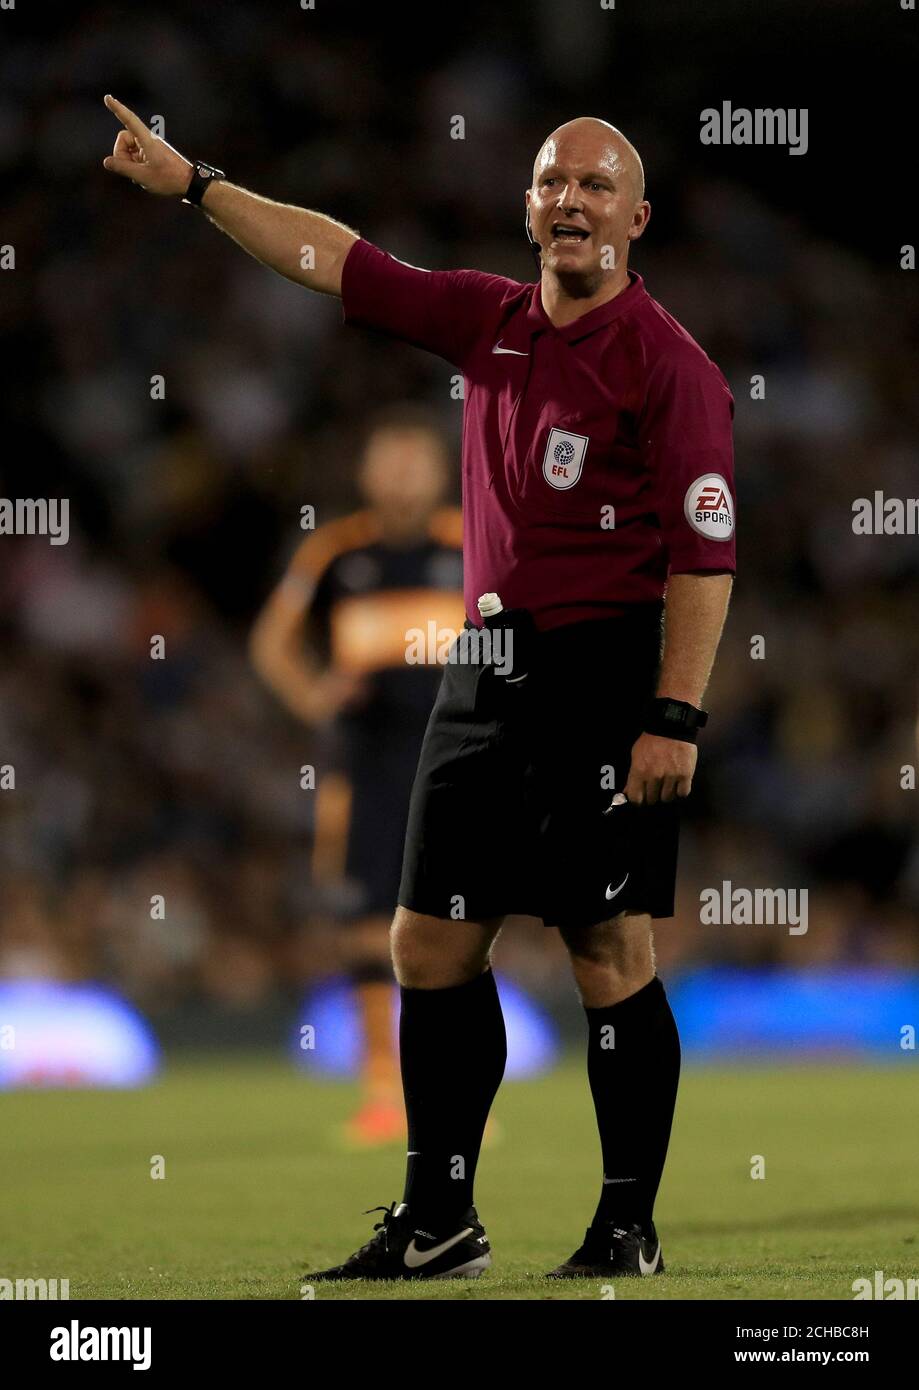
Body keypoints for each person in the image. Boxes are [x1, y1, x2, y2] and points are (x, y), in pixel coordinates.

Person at [103, 101, 736, 1281]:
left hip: (603, 673)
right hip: (480, 671)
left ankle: (624, 1226)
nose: (571, 202)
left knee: (608, 948)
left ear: (635, 219)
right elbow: (333, 257)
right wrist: (196, 185)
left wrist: (675, 713)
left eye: (597, 187)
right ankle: (440, 1219)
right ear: (528, 207)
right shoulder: (488, 322)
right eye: (553, 182)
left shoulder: (674, 369)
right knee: (427, 944)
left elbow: (705, 558)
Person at [249, 409, 464, 1147]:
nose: (402, 472)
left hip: (454, 763)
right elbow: (272, 641)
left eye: (415, 459)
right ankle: (382, 1090)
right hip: (365, 766)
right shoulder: (336, 553)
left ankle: (457, 1094)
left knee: (457, 927)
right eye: (389, 458)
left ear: (438, 471)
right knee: (367, 924)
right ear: (367, 472)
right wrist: (310, 694)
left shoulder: (470, 546)